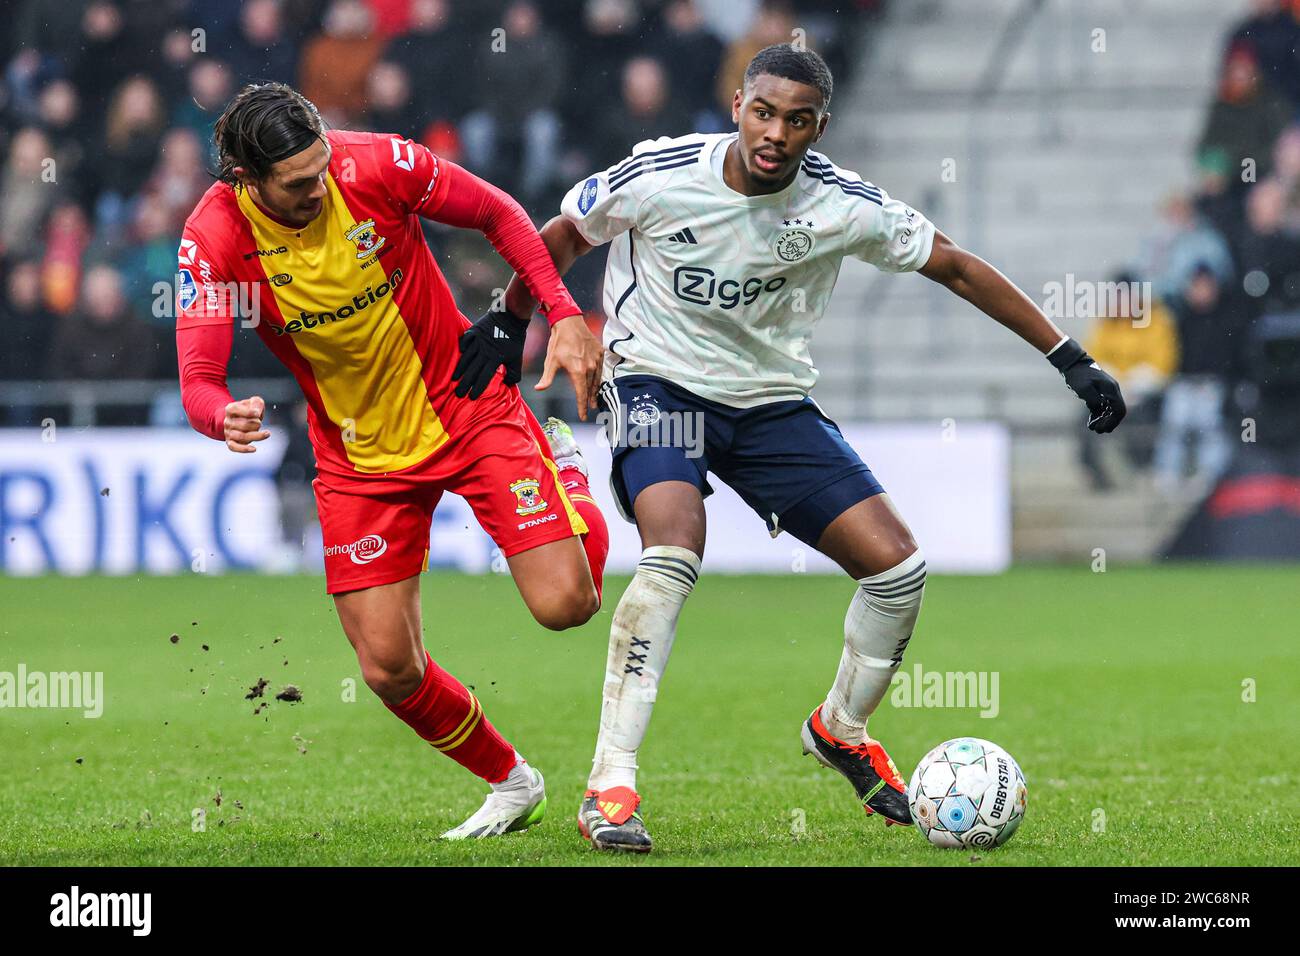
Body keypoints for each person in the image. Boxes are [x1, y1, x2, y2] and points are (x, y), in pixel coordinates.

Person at [497, 44, 1127, 852]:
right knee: (674, 549)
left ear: (818, 128)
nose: (776, 134)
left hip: (768, 404)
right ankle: (611, 784)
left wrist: (1069, 357)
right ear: (737, 105)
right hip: (655, 380)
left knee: (898, 569)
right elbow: (560, 235)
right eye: (764, 112)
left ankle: (841, 729)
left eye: (797, 122)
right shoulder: (658, 173)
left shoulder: (842, 206)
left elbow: (959, 269)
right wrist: (523, 320)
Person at [174, 83, 610, 839]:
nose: (321, 184)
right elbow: (199, 382)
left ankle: (564, 471)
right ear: (246, 180)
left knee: (567, 606)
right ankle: (513, 781)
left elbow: (501, 213)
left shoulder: (375, 164)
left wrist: (561, 313)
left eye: (322, 166)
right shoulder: (212, 238)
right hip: (357, 457)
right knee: (387, 667)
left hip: (467, 406)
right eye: (299, 182)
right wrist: (223, 416)